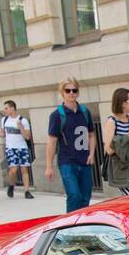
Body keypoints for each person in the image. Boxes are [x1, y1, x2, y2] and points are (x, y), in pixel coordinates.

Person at [46, 76, 95, 212]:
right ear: (62, 93)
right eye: (68, 90)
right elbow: (52, 141)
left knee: (85, 197)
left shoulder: (85, 112)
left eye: (74, 90)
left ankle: (83, 224)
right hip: (67, 161)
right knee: (74, 195)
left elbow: (91, 135)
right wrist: (49, 166)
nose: (71, 93)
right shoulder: (57, 115)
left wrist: (91, 153)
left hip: (84, 160)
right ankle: (71, 226)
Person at [103, 88, 129, 196]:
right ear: (123, 104)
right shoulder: (111, 121)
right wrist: (128, 137)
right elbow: (109, 150)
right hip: (121, 170)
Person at [0, 100, 33, 198]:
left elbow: (27, 137)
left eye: (6, 108)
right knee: (13, 169)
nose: (5, 110)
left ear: (12, 108)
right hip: (10, 148)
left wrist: (20, 127)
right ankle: (11, 185)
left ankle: (27, 191)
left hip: (22, 147)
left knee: (24, 169)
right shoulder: (4, 120)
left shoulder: (22, 120)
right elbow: (3, 134)